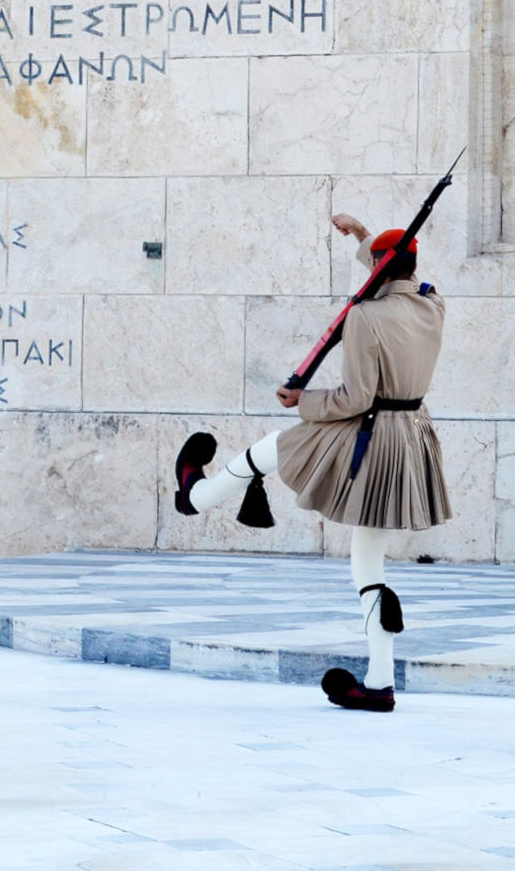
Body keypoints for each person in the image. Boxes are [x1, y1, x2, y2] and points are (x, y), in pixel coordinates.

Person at [174, 217, 450, 712]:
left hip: (369, 434)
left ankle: (194, 497)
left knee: (277, 446)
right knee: (369, 564)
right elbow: (388, 268)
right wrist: (364, 234)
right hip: (411, 436)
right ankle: (380, 683)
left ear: (379, 270)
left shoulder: (366, 317)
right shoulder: (433, 304)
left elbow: (355, 395)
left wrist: (301, 399)